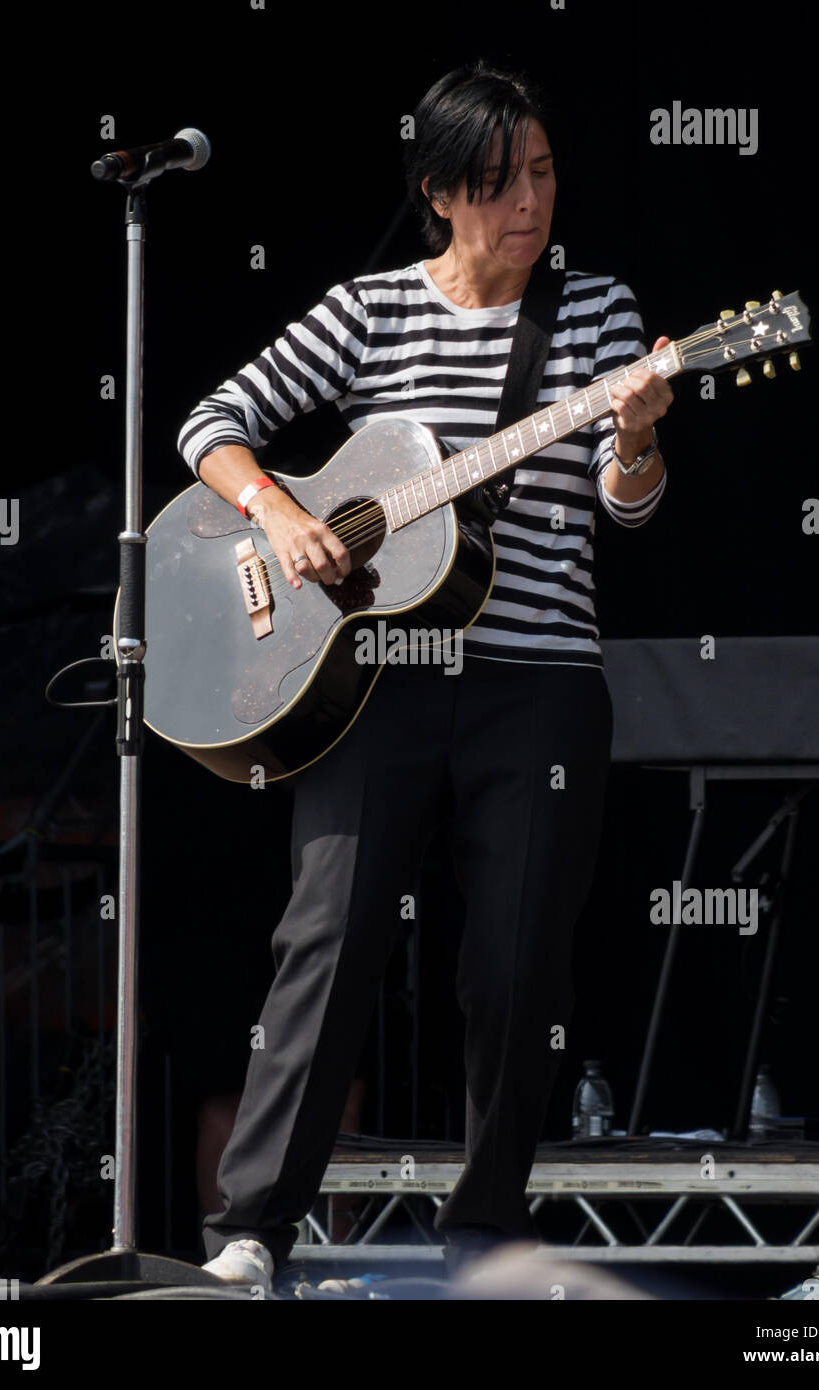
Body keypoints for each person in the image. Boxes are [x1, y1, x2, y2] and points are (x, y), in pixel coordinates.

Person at [176, 59, 674, 1289]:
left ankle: (485, 1222)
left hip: (539, 679)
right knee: (327, 939)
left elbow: (631, 514)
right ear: (440, 193)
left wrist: (636, 433)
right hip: (373, 680)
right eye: (500, 184)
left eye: (544, 175)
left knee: (516, 963)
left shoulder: (598, 311)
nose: (528, 204)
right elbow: (211, 422)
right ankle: (253, 1229)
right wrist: (282, 517)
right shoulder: (370, 310)